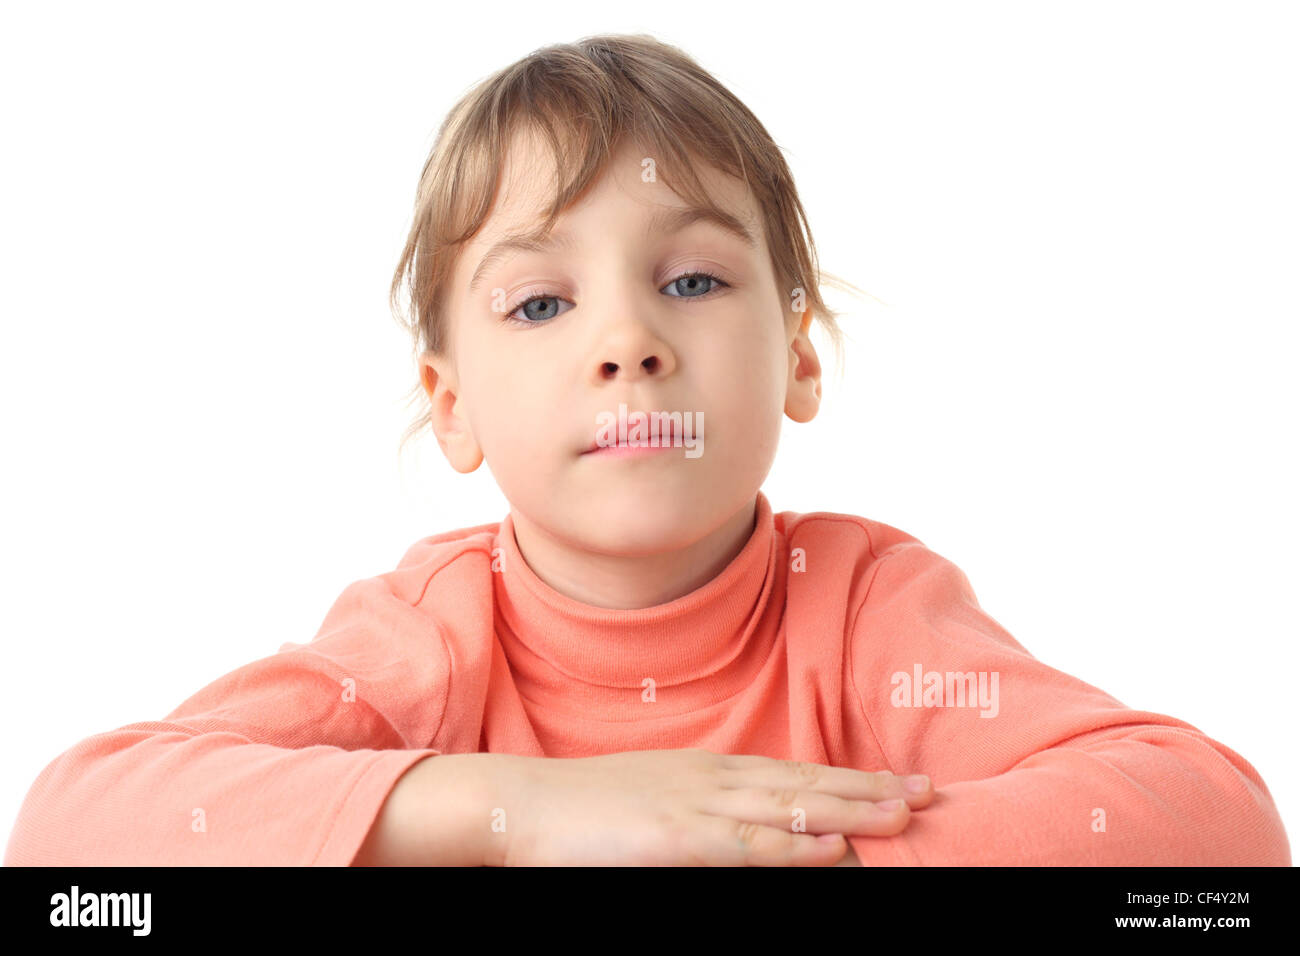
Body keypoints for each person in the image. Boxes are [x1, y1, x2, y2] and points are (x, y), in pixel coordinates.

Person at [5, 34, 1290, 867]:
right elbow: (72, 842)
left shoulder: (862, 611)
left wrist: (769, 842)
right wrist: (519, 818)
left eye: (691, 279)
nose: (626, 341)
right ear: (450, 404)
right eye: (542, 304)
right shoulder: (427, 639)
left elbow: (1217, 830)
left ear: (797, 357)